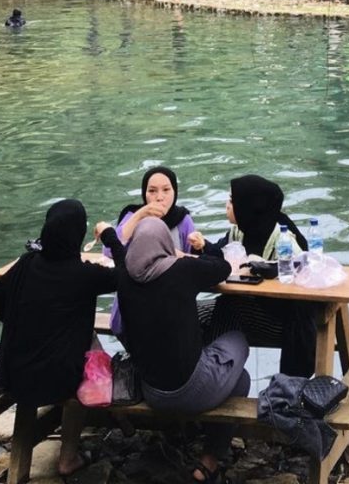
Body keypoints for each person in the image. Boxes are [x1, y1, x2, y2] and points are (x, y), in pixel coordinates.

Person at [98, 217, 247, 484]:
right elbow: (222, 268)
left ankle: (193, 437)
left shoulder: (124, 275)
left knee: (237, 376)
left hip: (151, 391)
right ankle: (210, 459)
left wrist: (108, 232)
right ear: (165, 243)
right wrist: (190, 253)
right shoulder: (181, 270)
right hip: (191, 389)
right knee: (238, 345)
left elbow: (120, 254)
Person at [0, 200, 116, 477]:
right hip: (59, 382)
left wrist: (25, 325)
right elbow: (128, 275)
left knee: (69, 348)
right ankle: (68, 458)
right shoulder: (84, 274)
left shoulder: (28, 262)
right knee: (85, 369)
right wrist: (111, 238)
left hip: (13, 375)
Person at [198, 175, 315, 378]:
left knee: (227, 307)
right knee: (192, 314)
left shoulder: (283, 237)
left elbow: (302, 273)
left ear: (248, 207)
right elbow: (220, 253)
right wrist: (201, 247)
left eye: (233, 201)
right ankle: (198, 373)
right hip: (253, 309)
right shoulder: (239, 231)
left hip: (282, 320)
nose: (227, 205)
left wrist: (268, 269)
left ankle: (215, 375)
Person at [105, 166, 205, 334]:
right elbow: (109, 251)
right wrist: (140, 215)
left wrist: (200, 246)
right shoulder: (132, 215)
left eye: (166, 190)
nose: (160, 197)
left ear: (175, 191)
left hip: (170, 300)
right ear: (144, 193)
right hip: (132, 302)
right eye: (152, 191)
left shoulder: (183, 220)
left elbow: (193, 265)